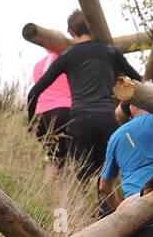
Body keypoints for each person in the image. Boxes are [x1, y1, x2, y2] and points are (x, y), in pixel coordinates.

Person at [27, 10, 142, 182]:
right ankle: (106, 208)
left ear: (71, 32)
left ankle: (81, 206)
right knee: (105, 175)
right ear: (92, 28)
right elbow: (137, 79)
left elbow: (34, 91)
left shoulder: (68, 55)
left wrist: (31, 122)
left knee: (83, 176)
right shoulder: (111, 51)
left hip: (79, 121)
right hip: (106, 118)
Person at [30, 50, 72, 180]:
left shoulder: (38, 65)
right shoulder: (68, 60)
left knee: (52, 156)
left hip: (40, 116)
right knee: (69, 158)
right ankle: (68, 195)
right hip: (64, 112)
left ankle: (48, 192)